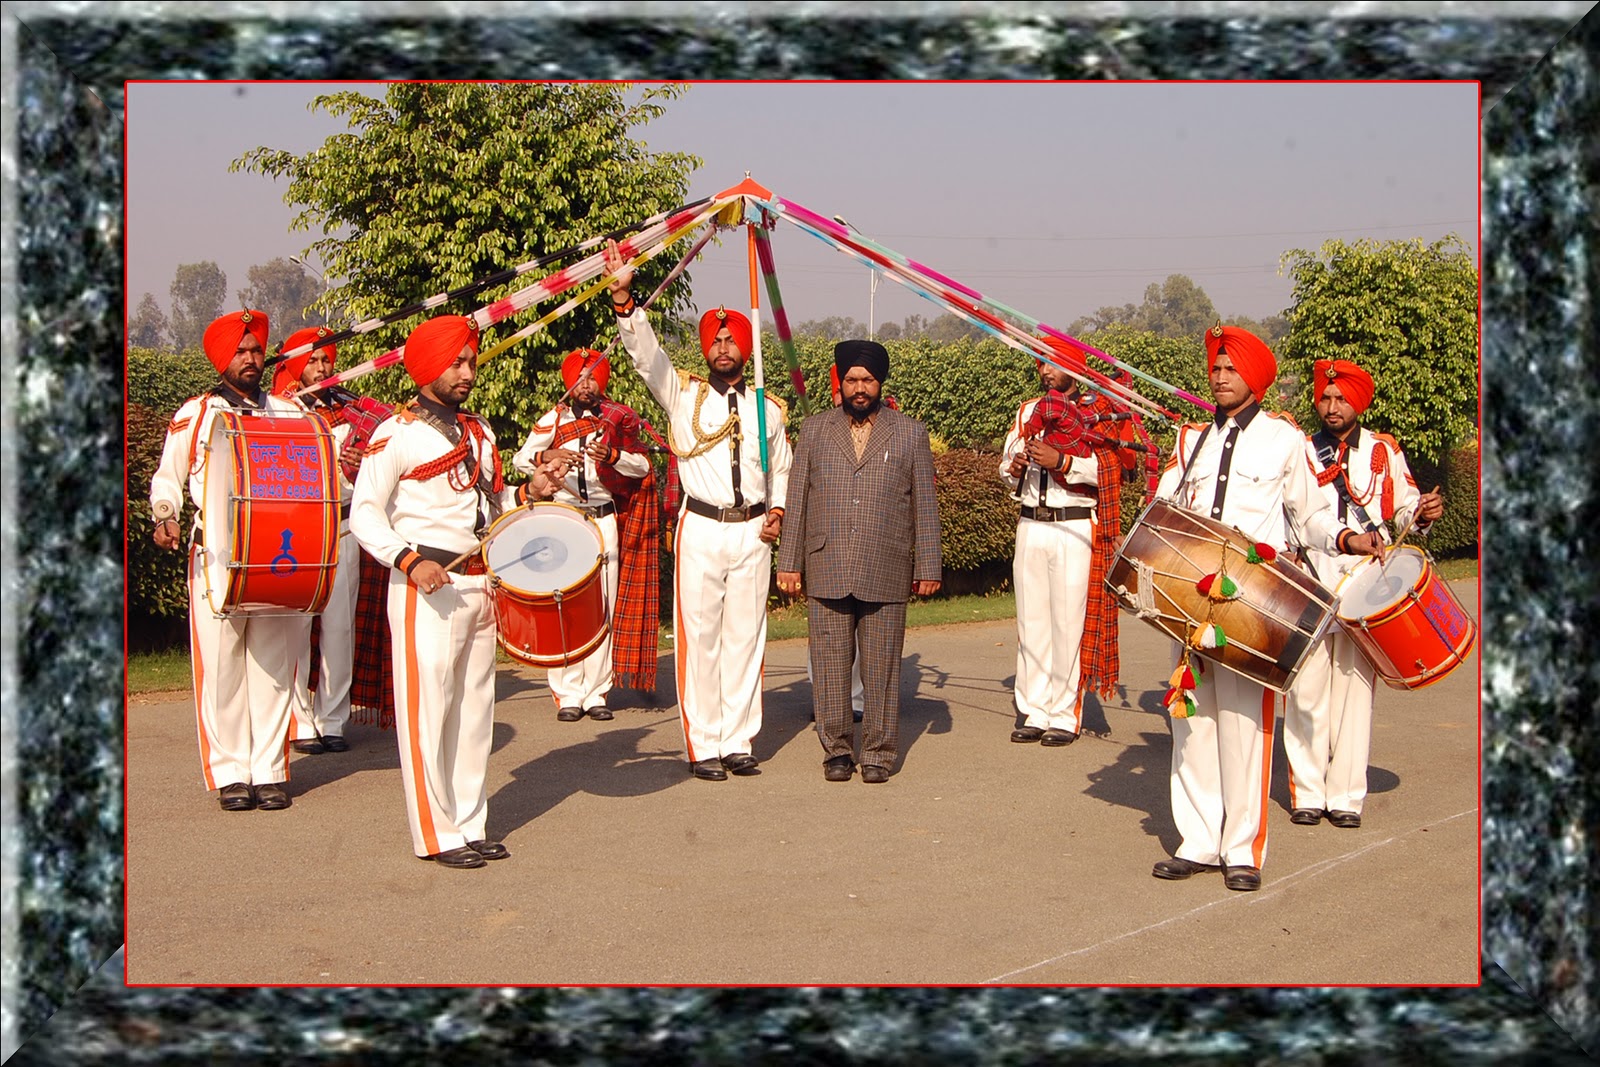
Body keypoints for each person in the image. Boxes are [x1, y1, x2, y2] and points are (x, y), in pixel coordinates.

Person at [1149, 324, 1383, 892]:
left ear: (1253, 377)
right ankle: (1199, 841)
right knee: (1193, 724)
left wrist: (1346, 540)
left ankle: (1242, 849)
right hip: (1190, 599)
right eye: (1216, 368)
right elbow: (1163, 506)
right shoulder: (1191, 439)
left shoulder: (1285, 440)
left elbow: (1311, 515)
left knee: (1243, 724)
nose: (1220, 376)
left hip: (1252, 606)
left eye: (1231, 369)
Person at [349, 314, 563, 869]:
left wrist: (530, 489)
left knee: (474, 713)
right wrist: (408, 560)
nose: (468, 372)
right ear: (426, 367)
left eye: (471, 361)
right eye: (457, 362)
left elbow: (493, 508)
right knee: (429, 712)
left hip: (478, 584)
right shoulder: (393, 433)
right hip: (425, 587)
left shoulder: (481, 433)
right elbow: (364, 516)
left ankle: (470, 823)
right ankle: (435, 832)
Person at [605, 240, 793, 783]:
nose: (726, 345)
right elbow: (646, 356)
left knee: (745, 637)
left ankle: (738, 740)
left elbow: (781, 467)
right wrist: (625, 302)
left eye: (734, 337)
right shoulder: (681, 394)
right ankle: (703, 743)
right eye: (717, 338)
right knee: (700, 637)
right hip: (701, 527)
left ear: (747, 345)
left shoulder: (769, 407)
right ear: (706, 347)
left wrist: (777, 511)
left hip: (753, 530)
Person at [149, 309, 311, 813]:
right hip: (216, 554)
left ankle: (268, 771)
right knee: (221, 668)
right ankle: (230, 773)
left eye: (256, 351)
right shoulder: (195, 413)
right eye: (240, 351)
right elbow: (166, 478)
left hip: (275, 555)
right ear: (223, 358)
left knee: (271, 665)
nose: (250, 359)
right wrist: (165, 514)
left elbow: (312, 476)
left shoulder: (288, 413)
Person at [1285, 359, 1445, 830]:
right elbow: (1294, 514)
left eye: (1341, 399)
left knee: (1355, 692)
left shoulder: (1383, 449)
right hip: (1313, 578)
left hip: (1365, 587)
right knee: (1307, 691)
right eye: (1325, 399)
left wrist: (1423, 512)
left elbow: (1403, 509)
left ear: (1359, 402)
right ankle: (1308, 791)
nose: (1331, 407)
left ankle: (1347, 796)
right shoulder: (1301, 450)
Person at [776, 340, 942, 783]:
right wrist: (789, 561)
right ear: (841, 382)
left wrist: (928, 566)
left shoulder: (909, 432)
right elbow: (798, 498)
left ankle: (879, 753)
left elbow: (924, 505)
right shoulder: (814, 430)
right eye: (851, 379)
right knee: (829, 665)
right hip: (826, 560)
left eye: (867, 379)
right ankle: (836, 750)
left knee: (882, 666)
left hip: (885, 562)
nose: (859, 387)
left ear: (880, 383)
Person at [511, 348, 660, 722]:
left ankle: (597, 693)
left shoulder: (618, 418)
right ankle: (567, 693)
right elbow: (519, 458)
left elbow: (642, 465)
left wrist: (612, 455)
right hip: (563, 519)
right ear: (569, 381)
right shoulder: (553, 419)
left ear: (602, 382)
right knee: (565, 605)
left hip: (603, 519)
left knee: (602, 606)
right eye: (579, 376)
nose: (586, 384)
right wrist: (551, 454)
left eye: (592, 377)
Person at [999, 343, 1131, 749]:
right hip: (1030, 525)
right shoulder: (1027, 412)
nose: (1046, 371)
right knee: (1031, 623)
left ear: (1074, 368)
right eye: (1041, 364)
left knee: (1067, 623)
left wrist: (1064, 462)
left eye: (1054, 364)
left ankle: (1064, 713)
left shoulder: (1098, 412)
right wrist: (1014, 467)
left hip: (1074, 526)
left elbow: (1113, 469)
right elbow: (1004, 468)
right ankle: (1034, 710)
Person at [272, 326, 367, 755]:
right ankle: (300, 720)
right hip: (299, 530)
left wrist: (359, 465)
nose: (321, 367)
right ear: (294, 363)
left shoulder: (351, 409)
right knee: (296, 627)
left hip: (344, 525)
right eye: (312, 360)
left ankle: (333, 719)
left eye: (327, 359)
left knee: (339, 628)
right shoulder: (278, 410)